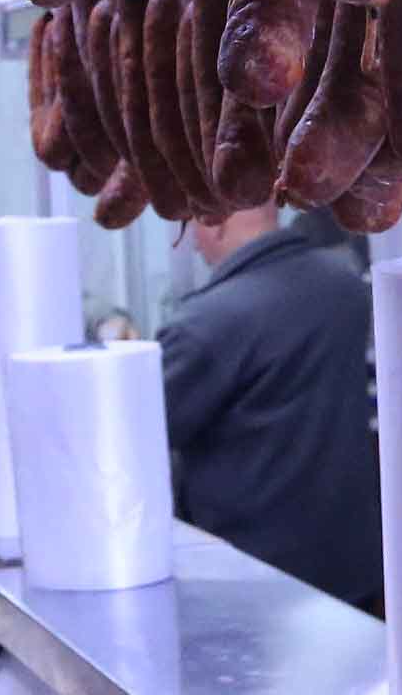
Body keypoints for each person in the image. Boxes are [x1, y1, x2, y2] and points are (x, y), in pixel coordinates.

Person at [153, 200, 384, 615]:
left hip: (255, 586)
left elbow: (139, 434)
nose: (195, 247)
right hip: (352, 571)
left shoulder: (204, 326)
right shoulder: (343, 287)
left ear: (215, 222)